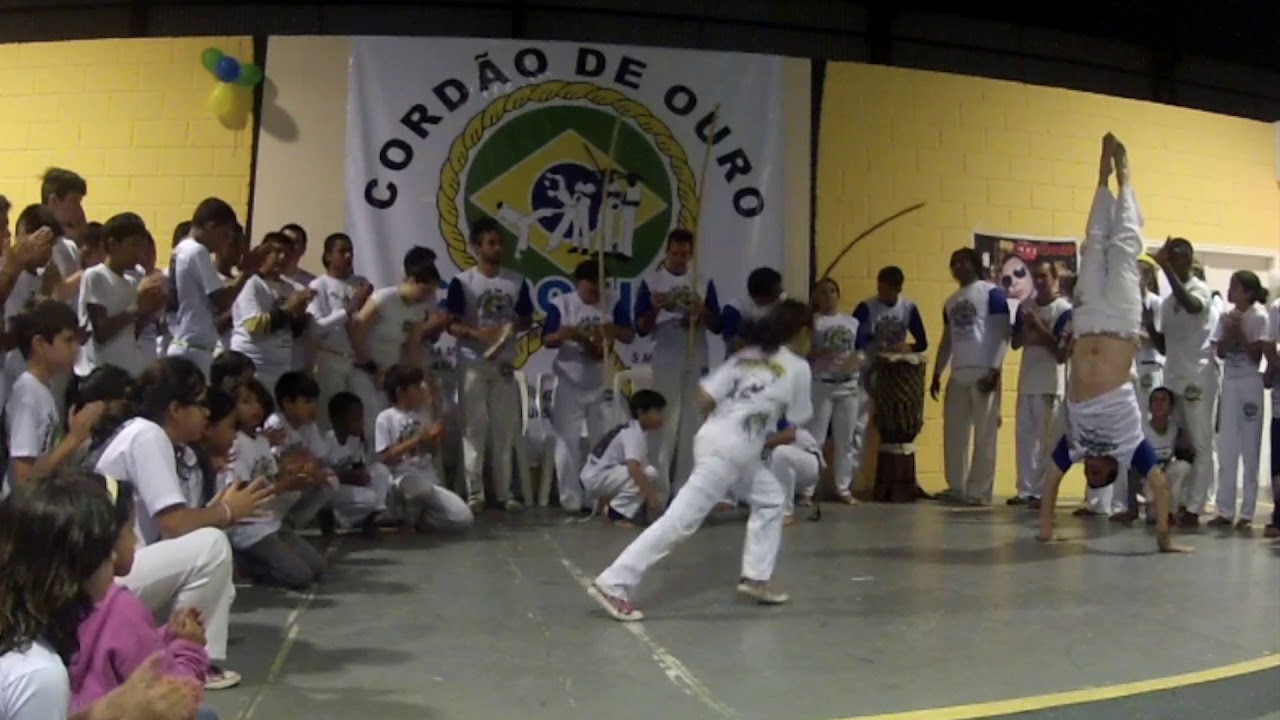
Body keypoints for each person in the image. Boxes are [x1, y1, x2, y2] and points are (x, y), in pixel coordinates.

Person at [588, 300, 815, 621]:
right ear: (803, 332)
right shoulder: (798, 367)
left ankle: (755, 577)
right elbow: (797, 416)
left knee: (771, 500)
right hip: (733, 452)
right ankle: (613, 582)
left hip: (714, 440)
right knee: (680, 521)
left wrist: (735, 413)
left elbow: (703, 398)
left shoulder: (746, 356)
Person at [1036, 134, 1190, 554]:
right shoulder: (1128, 447)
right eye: (1098, 474)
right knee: (1124, 249)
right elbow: (1159, 490)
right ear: (1110, 470)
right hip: (1121, 323)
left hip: (1087, 323)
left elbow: (1050, 482)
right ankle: (1126, 177)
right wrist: (1164, 540)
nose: (1092, 468)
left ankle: (1102, 176)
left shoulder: (1078, 446)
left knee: (1093, 245)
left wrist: (1047, 530)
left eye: (1089, 473)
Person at [95, 357, 273, 689]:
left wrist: (219, 510)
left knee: (219, 575)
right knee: (212, 547)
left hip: (114, 572)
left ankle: (168, 652)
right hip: (100, 581)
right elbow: (174, 524)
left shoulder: (164, 442)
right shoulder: (147, 435)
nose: (207, 413)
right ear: (176, 408)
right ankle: (185, 659)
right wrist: (226, 513)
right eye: (201, 405)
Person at [0, 470, 204, 720]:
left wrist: (107, 710)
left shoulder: (20, 639)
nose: (114, 558)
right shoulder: (38, 674)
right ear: (77, 566)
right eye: (106, 550)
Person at [69, 475, 216, 719]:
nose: (136, 539)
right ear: (109, 544)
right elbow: (175, 695)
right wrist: (189, 647)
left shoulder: (45, 598)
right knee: (205, 715)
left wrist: (165, 636)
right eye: (129, 530)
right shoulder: (121, 609)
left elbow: (109, 647)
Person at [444, 219, 534, 512]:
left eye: (499, 243)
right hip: (472, 363)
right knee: (474, 429)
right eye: (490, 243)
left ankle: (505, 493)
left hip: (504, 365)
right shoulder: (463, 282)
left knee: (504, 430)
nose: (497, 248)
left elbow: (526, 319)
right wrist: (477, 335)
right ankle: (475, 494)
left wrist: (511, 329)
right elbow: (452, 325)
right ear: (476, 247)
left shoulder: (516, 281)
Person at [632, 229, 722, 497]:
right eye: (675, 253)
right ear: (667, 252)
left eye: (685, 254)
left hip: (697, 350)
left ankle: (686, 489)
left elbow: (717, 325)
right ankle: (658, 489)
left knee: (694, 420)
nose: (680, 259)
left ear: (691, 254)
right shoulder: (652, 281)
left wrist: (702, 313)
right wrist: (656, 308)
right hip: (667, 351)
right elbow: (641, 328)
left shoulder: (703, 281)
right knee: (665, 418)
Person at [542, 259, 635, 513]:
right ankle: (570, 499)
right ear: (578, 283)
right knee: (567, 440)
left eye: (600, 286)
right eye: (591, 287)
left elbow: (629, 334)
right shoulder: (562, 304)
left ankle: (597, 497)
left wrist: (613, 329)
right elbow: (546, 339)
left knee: (602, 441)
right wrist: (563, 335)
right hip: (569, 382)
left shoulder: (612, 302)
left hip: (600, 381)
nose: (596, 292)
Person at [1143, 243, 1217, 528]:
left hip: (1196, 380)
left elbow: (1192, 305)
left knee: (1200, 444)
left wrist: (1164, 269)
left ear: (1186, 260)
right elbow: (1165, 346)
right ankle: (1172, 504)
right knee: (1180, 448)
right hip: (1173, 378)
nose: (1168, 263)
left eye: (1172, 259)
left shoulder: (1199, 290)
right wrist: (1150, 325)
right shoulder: (1168, 302)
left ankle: (1195, 507)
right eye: (1166, 259)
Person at [930, 247, 1011, 505]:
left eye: (962, 261)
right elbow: (947, 341)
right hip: (958, 373)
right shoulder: (950, 302)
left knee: (985, 435)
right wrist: (937, 372)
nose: (957, 267)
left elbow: (1003, 334)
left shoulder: (992, 293)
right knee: (954, 432)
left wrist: (995, 370)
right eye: (953, 263)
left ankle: (979, 491)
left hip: (983, 371)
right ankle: (956, 486)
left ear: (975, 264)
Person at [5, 299, 103, 492]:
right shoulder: (27, 394)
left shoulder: (43, 389)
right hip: (20, 513)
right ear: (40, 344)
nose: (76, 348)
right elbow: (24, 476)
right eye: (68, 340)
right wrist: (73, 439)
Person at [351, 247, 446, 443]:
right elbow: (357, 333)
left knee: (396, 424)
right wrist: (373, 369)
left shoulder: (418, 309)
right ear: (411, 281)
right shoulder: (384, 298)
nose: (426, 297)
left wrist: (421, 381)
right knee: (373, 422)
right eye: (425, 290)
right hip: (365, 370)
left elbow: (412, 349)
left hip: (391, 376)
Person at [265, 372, 377, 538]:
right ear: (287, 402)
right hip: (280, 485)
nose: (313, 407)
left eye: (314, 402)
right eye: (307, 402)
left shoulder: (310, 427)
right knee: (305, 483)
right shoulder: (275, 424)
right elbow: (278, 464)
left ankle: (291, 524)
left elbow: (318, 459)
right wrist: (306, 469)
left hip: (304, 481)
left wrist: (315, 472)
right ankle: (279, 524)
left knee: (330, 480)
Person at [374, 364, 473, 533]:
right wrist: (416, 439)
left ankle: (420, 519)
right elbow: (383, 458)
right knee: (414, 485)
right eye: (416, 386)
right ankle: (403, 516)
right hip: (402, 480)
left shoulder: (423, 415)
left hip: (428, 480)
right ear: (401, 392)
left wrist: (432, 439)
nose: (421, 389)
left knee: (463, 517)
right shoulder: (385, 418)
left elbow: (431, 453)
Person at [1206, 271, 1270, 529]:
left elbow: (1256, 356)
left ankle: (1246, 513)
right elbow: (1220, 352)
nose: (1230, 291)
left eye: (1236, 287)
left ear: (1248, 292)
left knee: (1249, 447)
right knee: (1227, 446)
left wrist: (1240, 331)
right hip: (1230, 382)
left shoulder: (1260, 317)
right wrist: (1229, 331)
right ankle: (1224, 509)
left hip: (1250, 382)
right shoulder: (1225, 317)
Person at [167, 198, 255, 377]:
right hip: (193, 346)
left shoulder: (181, 248)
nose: (224, 243)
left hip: (185, 340)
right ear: (211, 226)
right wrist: (246, 273)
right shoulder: (197, 251)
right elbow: (221, 301)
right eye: (225, 235)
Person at [1009, 259, 1071, 507]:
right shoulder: (1025, 306)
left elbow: (1060, 352)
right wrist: (1030, 331)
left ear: (1055, 278)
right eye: (1035, 277)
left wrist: (1039, 328)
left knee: (1048, 442)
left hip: (1050, 385)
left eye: (1044, 276)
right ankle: (1026, 490)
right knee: (1025, 438)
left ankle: (1045, 491)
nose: (1039, 281)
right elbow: (1016, 343)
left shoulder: (1064, 310)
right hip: (1027, 382)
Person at [75, 213, 167, 379]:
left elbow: (132, 332)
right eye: (133, 245)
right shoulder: (95, 276)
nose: (139, 253)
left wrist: (151, 308)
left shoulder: (132, 282)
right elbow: (101, 332)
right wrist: (137, 308)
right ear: (112, 244)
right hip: (101, 374)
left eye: (141, 246)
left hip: (127, 370)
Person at [228, 233, 311, 394]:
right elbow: (255, 325)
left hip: (280, 369)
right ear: (264, 253)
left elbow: (291, 332)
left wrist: (300, 316)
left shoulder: (289, 288)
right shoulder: (252, 283)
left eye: (287, 254)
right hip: (254, 368)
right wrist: (289, 307)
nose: (282, 258)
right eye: (278, 252)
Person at [806, 278, 865, 504]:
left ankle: (843, 487)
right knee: (816, 438)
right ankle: (808, 488)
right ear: (816, 298)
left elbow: (861, 351)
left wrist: (856, 362)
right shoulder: (813, 323)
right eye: (822, 292)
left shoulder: (852, 322)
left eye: (832, 291)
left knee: (845, 439)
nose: (828, 296)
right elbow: (803, 351)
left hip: (848, 385)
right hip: (822, 383)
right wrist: (819, 352)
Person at [308, 233, 373, 430]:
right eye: (342, 251)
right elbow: (317, 328)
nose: (348, 256)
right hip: (331, 359)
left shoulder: (361, 283)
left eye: (350, 251)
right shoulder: (319, 285)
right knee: (328, 416)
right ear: (328, 256)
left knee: (365, 414)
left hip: (358, 361)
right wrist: (350, 308)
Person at [579, 389, 667, 527]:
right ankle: (615, 514)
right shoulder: (633, 433)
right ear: (641, 412)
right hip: (597, 477)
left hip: (595, 474)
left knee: (647, 473)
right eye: (657, 412)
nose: (662, 417)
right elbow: (633, 469)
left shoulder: (632, 429)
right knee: (648, 474)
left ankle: (610, 505)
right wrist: (651, 497)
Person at [325, 391, 391, 538]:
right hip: (333, 490)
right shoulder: (328, 440)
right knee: (369, 498)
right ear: (338, 420)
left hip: (353, 487)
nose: (361, 422)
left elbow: (359, 466)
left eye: (361, 417)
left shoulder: (357, 441)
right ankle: (329, 518)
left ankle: (372, 518)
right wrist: (350, 476)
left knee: (380, 470)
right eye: (355, 418)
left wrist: (361, 475)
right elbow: (327, 475)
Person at [767, 419, 823, 523]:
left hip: (808, 461)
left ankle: (786, 513)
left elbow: (790, 435)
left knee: (780, 453)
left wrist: (762, 445)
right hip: (786, 470)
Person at [720, 267, 784, 350]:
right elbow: (732, 345)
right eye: (777, 289)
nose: (781, 292)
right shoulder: (734, 310)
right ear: (765, 295)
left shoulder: (778, 308)